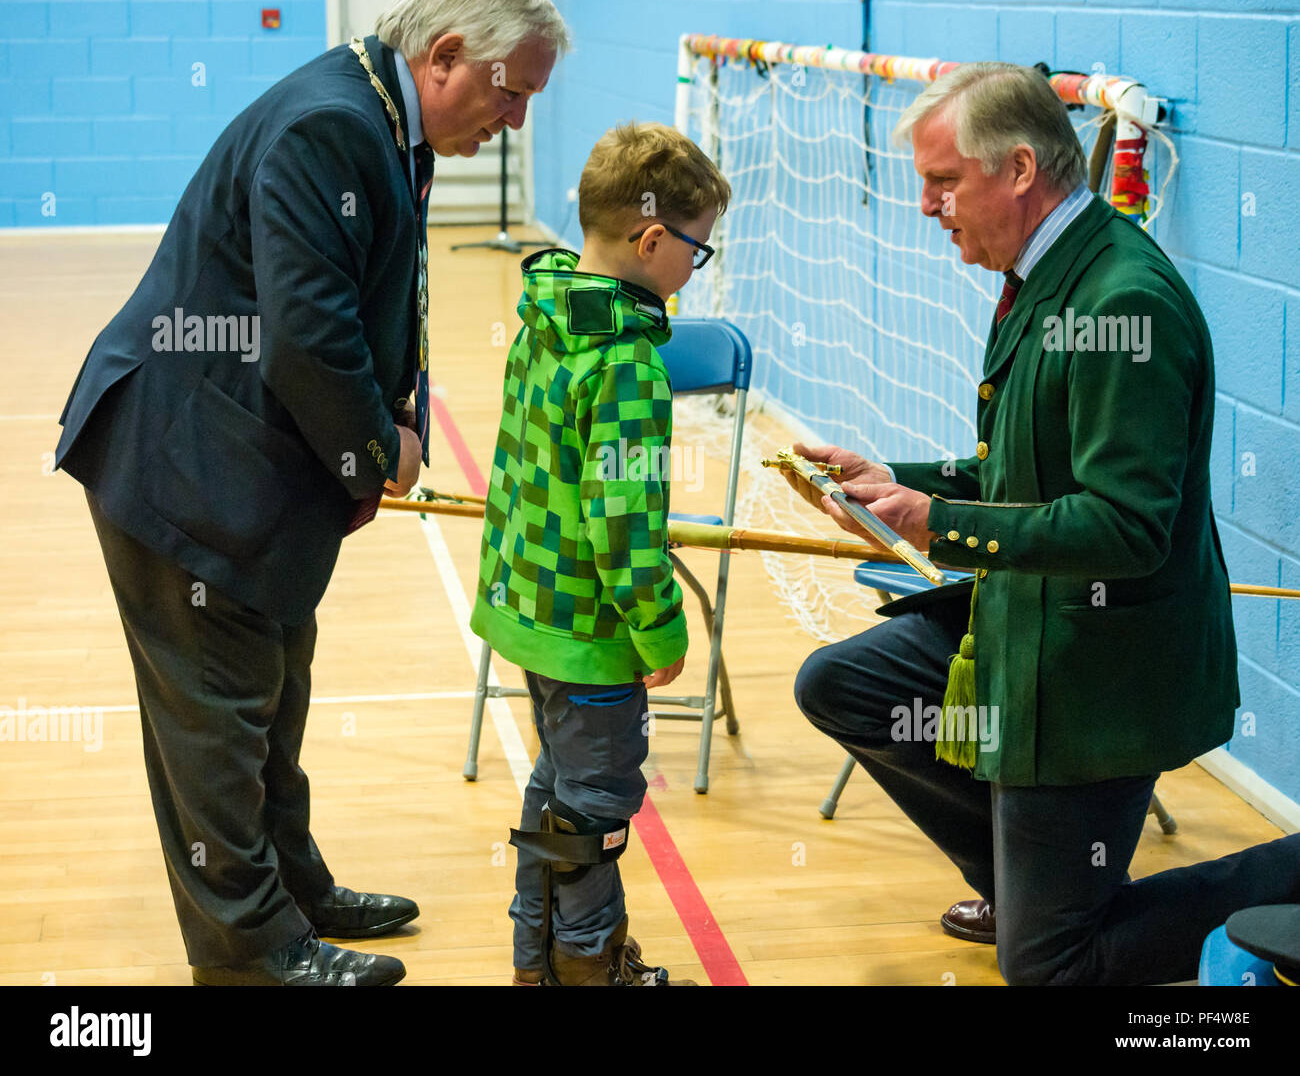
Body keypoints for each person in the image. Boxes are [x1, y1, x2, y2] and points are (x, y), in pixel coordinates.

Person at [54, 0, 569, 986]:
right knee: (218, 722)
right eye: (512, 93)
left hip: (247, 457)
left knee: (273, 695)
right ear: (447, 55)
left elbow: (387, 290)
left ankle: (294, 890)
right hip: (184, 463)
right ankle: (255, 955)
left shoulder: (383, 115)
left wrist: (404, 411)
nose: (513, 122)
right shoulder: (330, 124)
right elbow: (309, 342)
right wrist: (377, 457)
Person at [789, 62, 1300, 985]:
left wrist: (943, 523)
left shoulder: (1120, 302)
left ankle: (1288, 877)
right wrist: (892, 479)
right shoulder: (1051, 272)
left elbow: (1125, 526)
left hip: (1097, 669)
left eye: (943, 183)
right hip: (1030, 623)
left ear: (1020, 170)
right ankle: (1017, 884)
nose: (926, 207)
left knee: (1051, 973)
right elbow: (1024, 467)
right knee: (844, 683)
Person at [469, 121, 730, 986]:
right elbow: (623, 530)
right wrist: (661, 632)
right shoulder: (624, 363)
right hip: (589, 630)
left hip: (531, 613)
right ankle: (590, 968)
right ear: (652, 240)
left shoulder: (547, 314)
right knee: (596, 812)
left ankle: (534, 965)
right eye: (697, 248)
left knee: (558, 792)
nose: (698, 265)